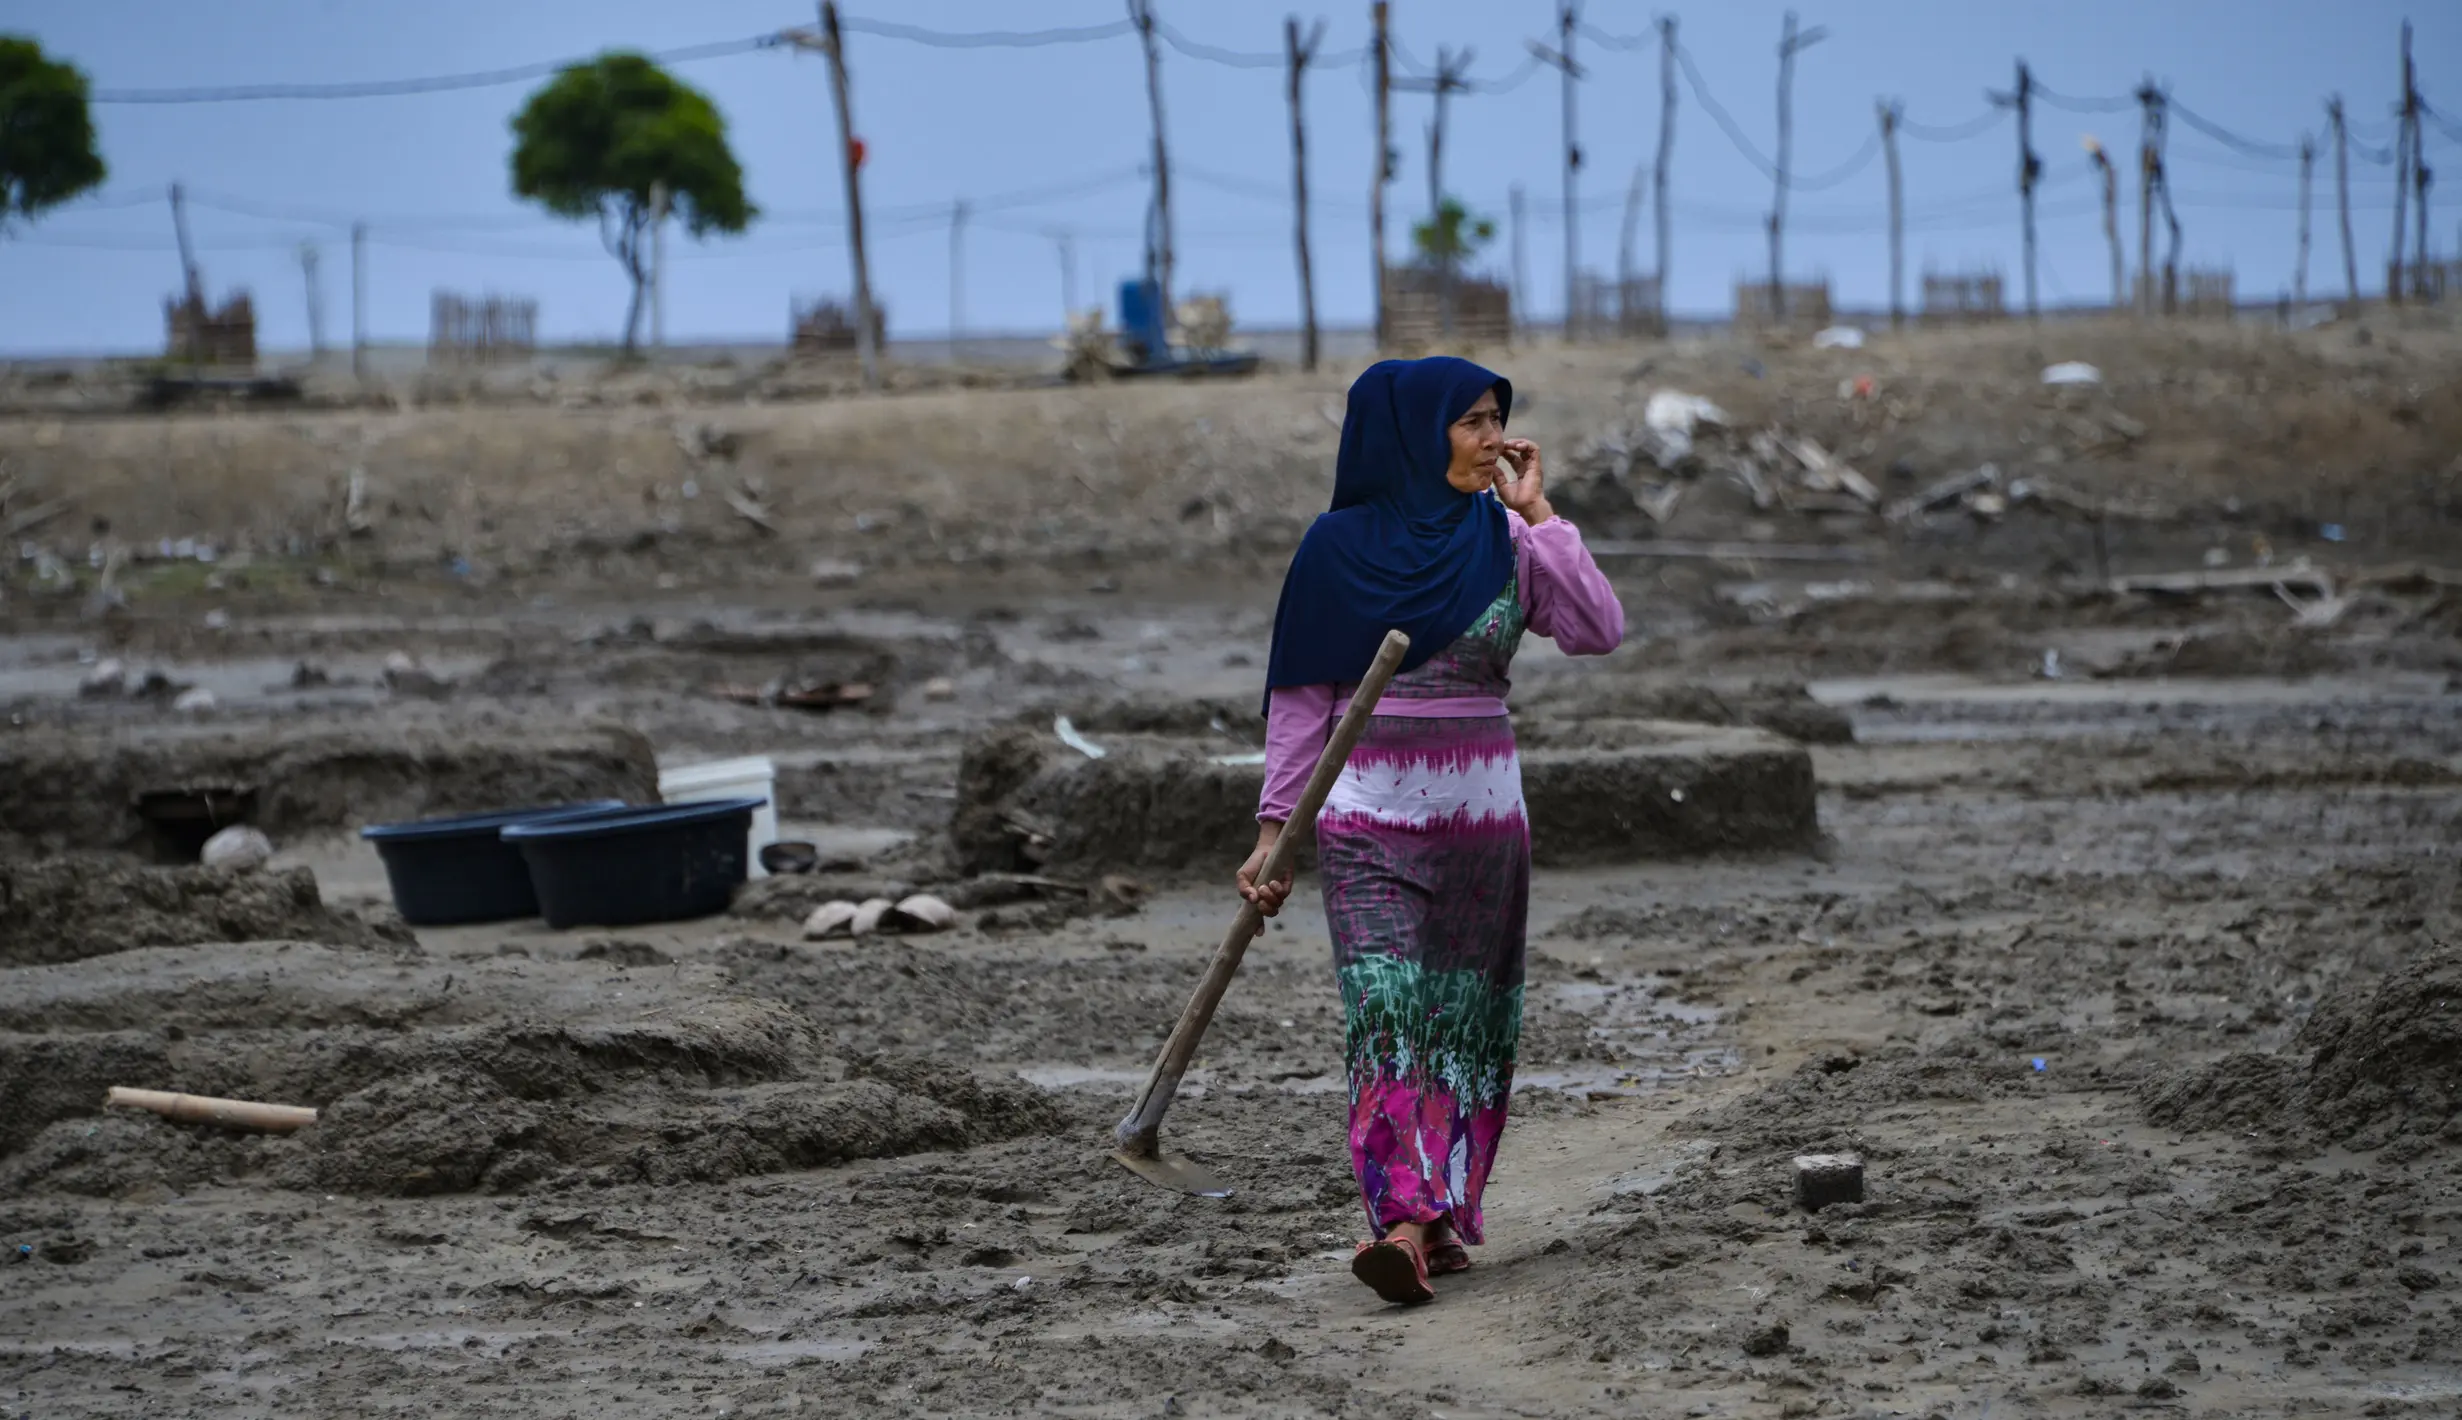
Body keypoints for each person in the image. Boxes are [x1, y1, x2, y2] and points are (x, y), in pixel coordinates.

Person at [1239, 356, 1624, 1305]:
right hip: (1367, 822)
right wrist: (1275, 829)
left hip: (1482, 829)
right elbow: (1301, 703)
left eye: (1498, 419)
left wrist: (1542, 515)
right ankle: (1403, 1223)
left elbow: (1598, 629)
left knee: (1463, 1027)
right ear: (1414, 435)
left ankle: (1438, 1214)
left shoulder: (1507, 540)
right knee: (1387, 1016)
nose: (1495, 440)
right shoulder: (1335, 549)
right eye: (1472, 423)